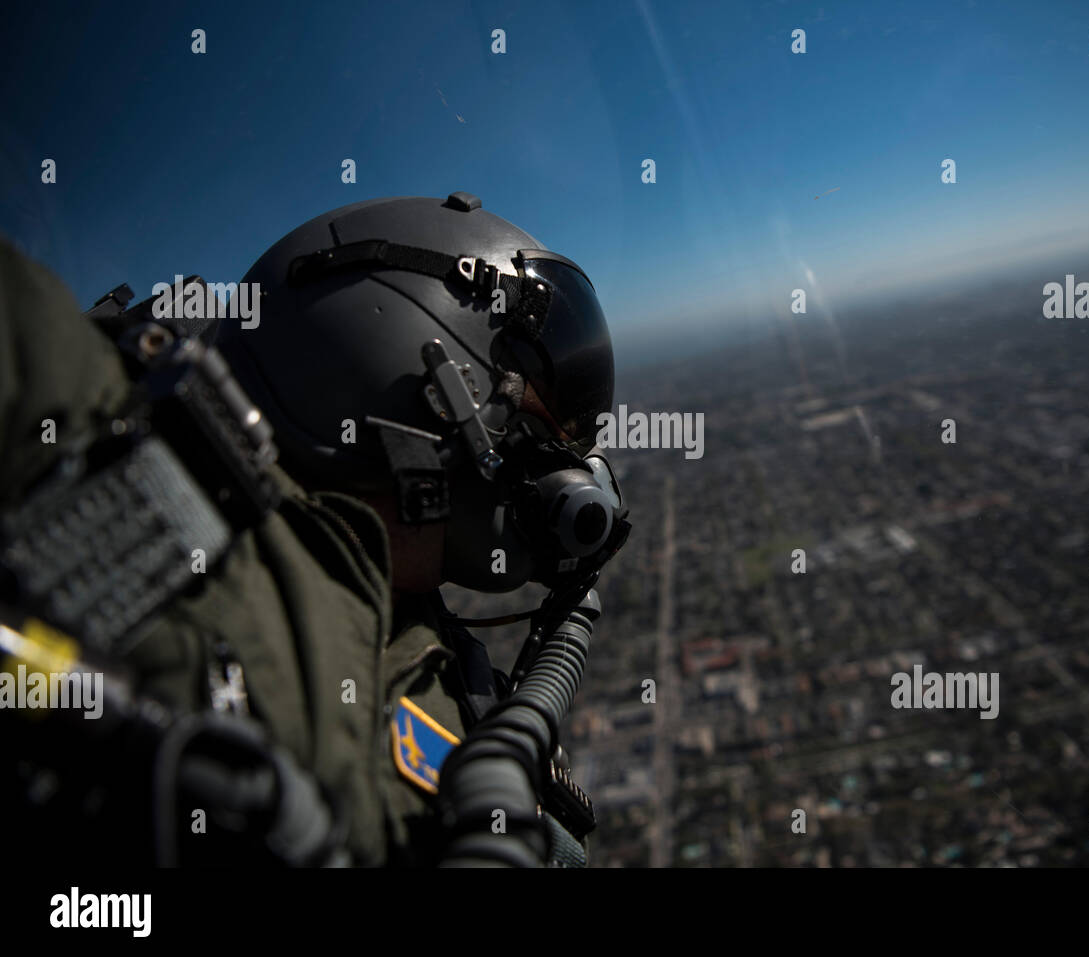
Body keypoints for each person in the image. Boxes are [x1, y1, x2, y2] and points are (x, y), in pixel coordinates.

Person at [0, 192, 629, 866]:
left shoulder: (459, 685)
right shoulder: (129, 464)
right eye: (551, 419)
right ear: (440, 387)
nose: (573, 461)